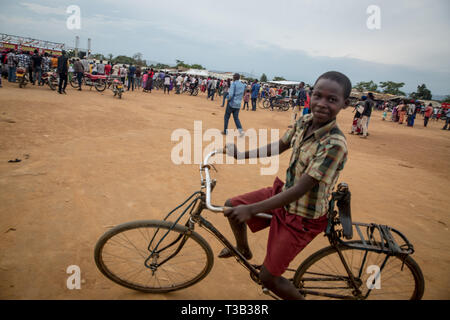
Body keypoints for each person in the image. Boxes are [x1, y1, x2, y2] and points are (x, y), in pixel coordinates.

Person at [220, 71, 350, 300]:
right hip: (283, 196)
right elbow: (279, 146)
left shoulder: (334, 144)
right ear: (310, 94)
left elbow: (301, 189)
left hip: (303, 216)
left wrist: (252, 209)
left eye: (332, 100)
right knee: (231, 206)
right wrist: (241, 155)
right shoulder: (304, 121)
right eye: (318, 95)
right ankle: (243, 249)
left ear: (344, 104)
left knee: (269, 278)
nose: (322, 104)